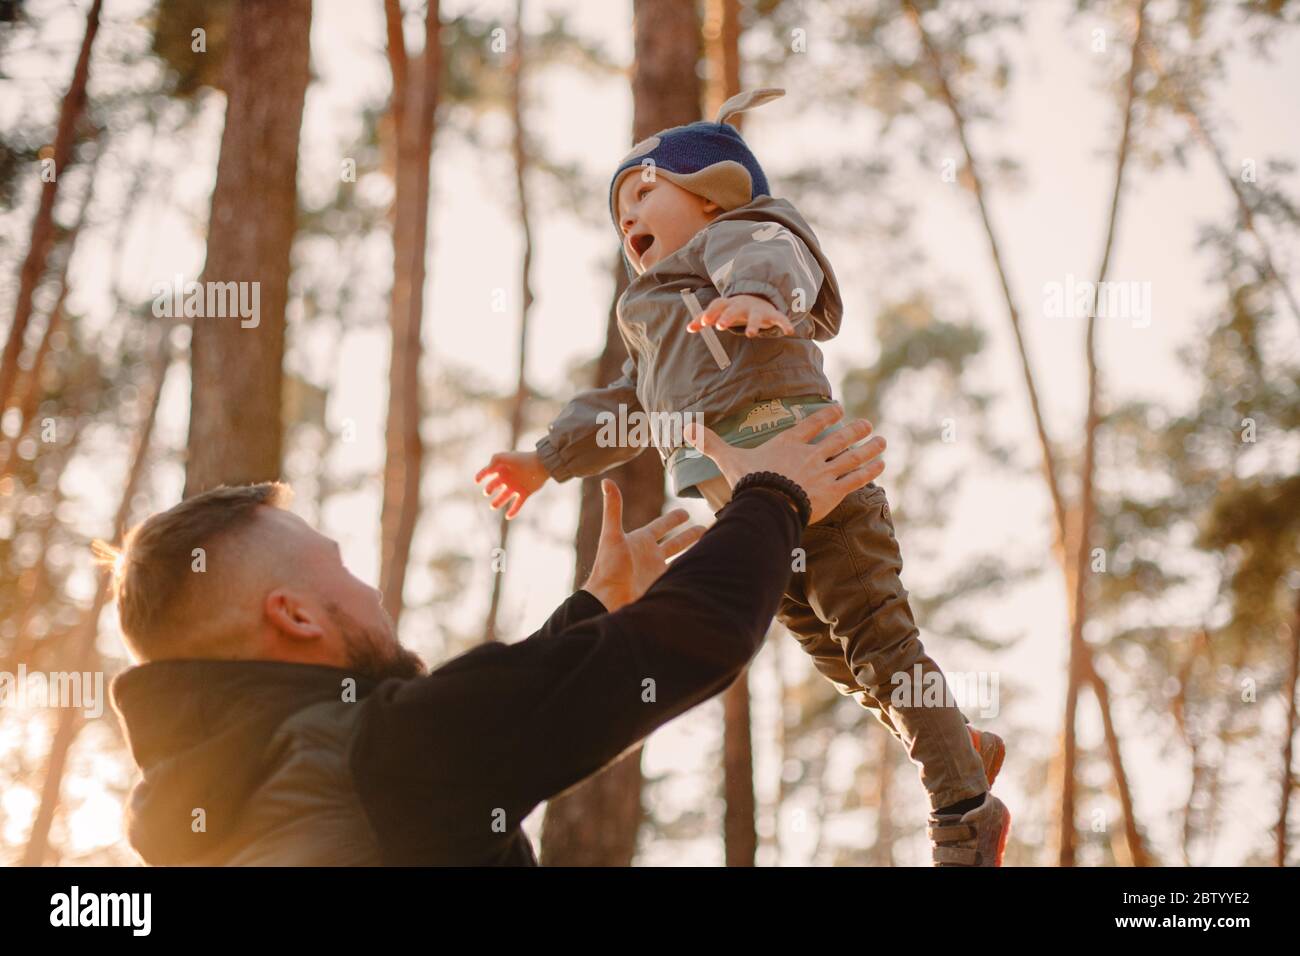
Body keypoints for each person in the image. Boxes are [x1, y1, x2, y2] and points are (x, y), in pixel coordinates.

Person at [475, 88, 1009, 866]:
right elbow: (619, 403)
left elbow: (771, 258)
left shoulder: (743, 238)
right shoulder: (651, 315)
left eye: (644, 191)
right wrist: (546, 460)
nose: (629, 222)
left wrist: (758, 297)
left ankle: (964, 813)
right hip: (759, 517)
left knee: (877, 637)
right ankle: (956, 741)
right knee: (839, 658)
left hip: (815, 474)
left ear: (713, 191)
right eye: (619, 217)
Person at [106, 405, 887, 865]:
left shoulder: (205, 821)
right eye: (342, 570)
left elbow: (493, 721)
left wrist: (593, 606)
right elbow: (691, 638)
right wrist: (774, 494)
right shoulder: (383, 753)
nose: (372, 590)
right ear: (297, 616)